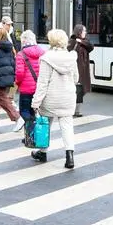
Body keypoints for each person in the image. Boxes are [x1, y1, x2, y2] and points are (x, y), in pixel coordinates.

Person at [31, 29, 79, 168]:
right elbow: (76, 79)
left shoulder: (47, 58)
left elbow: (42, 83)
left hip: (50, 99)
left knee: (46, 125)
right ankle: (70, 157)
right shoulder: (71, 58)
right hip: (67, 97)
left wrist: (35, 102)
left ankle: (42, 152)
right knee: (67, 127)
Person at [13, 30, 44, 147]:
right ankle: (30, 137)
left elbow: (20, 73)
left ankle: (30, 133)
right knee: (33, 112)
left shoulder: (21, 54)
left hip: (26, 89)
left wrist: (17, 82)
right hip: (38, 88)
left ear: (23, 41)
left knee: (24, 112)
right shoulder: (42, 52)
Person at [67, 24, 93, 118]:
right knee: (77, 89)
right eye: (84, 31)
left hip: (84, 69)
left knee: (81, 89)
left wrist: (81, 41)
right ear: (79, 32)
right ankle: (75, 110)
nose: (85, 32)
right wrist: (78, 42)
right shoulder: (72, 41)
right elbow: (68, 51)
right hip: (76, 69)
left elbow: (91, 47)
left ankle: (76, 109)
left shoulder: (85, 41)